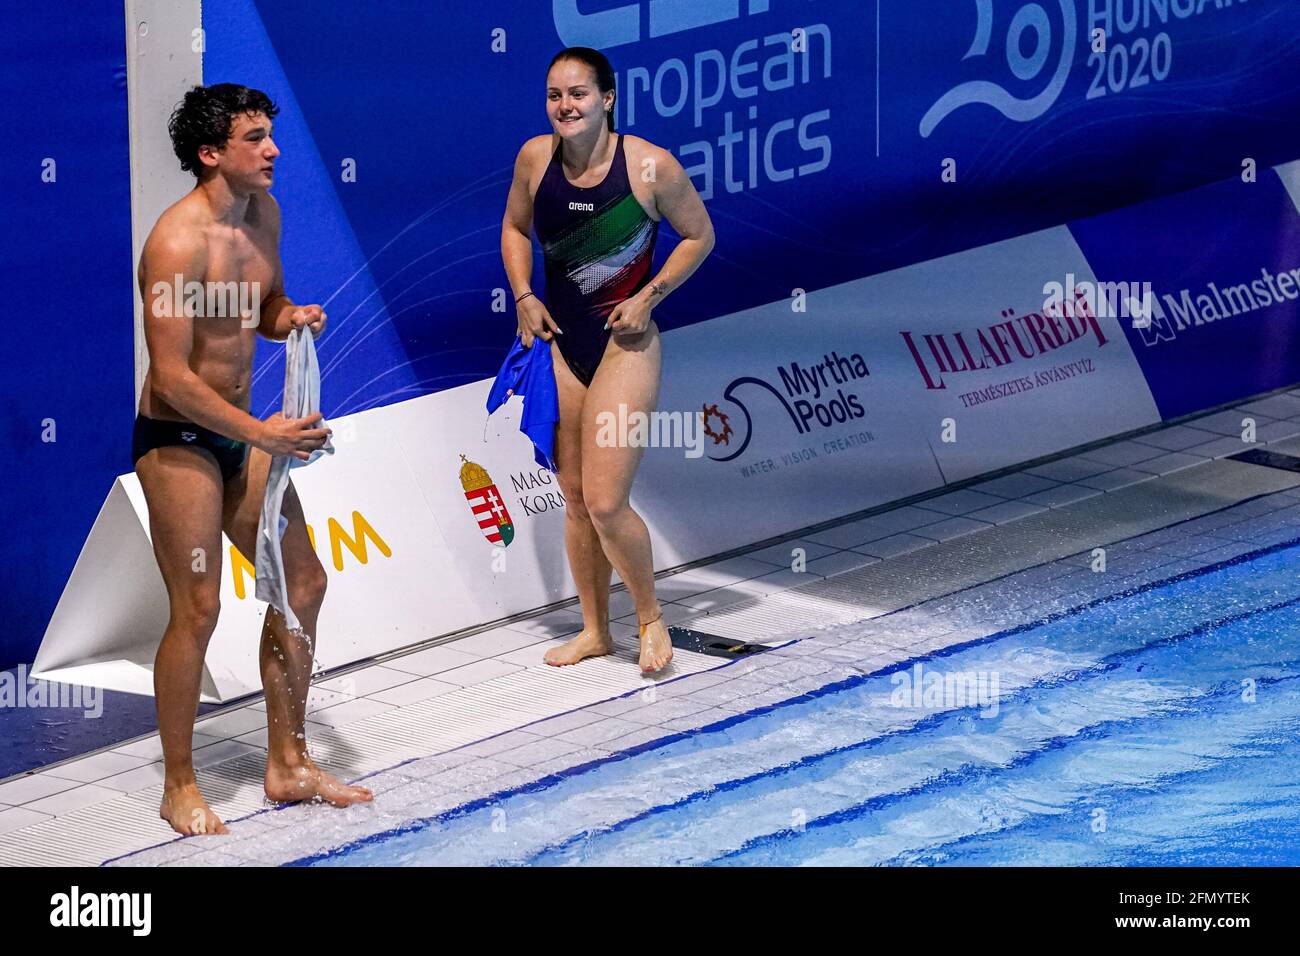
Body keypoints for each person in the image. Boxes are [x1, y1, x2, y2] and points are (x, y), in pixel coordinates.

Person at [135, 83, 372, 835]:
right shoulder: (176, 242)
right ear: (212, 154)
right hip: (180, 440)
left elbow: (258, 308)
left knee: (302, 582)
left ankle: (288, 763)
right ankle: (179, 785)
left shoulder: (262, 215)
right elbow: (172, 378)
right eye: (256, 139)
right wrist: (263, 434)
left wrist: (289, 316)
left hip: (243, 432)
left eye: (271, 135)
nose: (273, 150)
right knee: (199, 607)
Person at [501, 48, 715, 673]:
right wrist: (523, 296)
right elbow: (514, 229)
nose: (565, 106)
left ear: (608, 99)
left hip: (626, 347)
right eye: (554, 96)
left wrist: (648, 297)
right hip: (563, 346)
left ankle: (650, 619)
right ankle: (596, 629)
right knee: (571, 496)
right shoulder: (535, 159)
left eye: (578, 95)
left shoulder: (651, 166)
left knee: (604, 501)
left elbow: (700, 236)